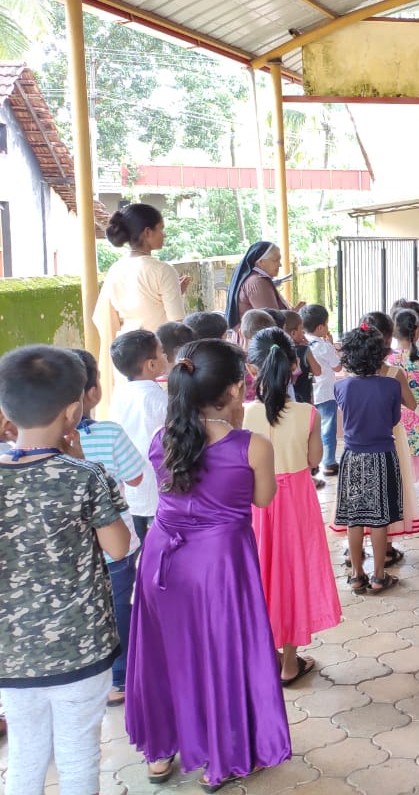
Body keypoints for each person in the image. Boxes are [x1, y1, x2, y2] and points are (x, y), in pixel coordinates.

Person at [126, 339, 290, 790]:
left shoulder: (165, 438)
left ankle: (160, 753)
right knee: (218, 655)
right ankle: (221, 759)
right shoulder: (250, 445)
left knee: (166, 653)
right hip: (218, 563)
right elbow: (262, 499)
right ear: (237, 389)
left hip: (162, 556)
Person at [0, 346, 131, 795]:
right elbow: (119, 547)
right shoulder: (84, 476)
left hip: (9, 655)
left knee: (25, 752)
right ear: (74, 411)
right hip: (81, 651)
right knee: (78, 755)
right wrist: (76, 459)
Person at [243, 329, 342, 686]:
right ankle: (289, 661)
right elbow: (314, 459)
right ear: (296, 366)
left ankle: (265, 656)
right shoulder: (307, 413)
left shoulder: (243, 416)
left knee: (262, 574)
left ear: (252, 370)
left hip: (256, 504)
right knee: (292, 575)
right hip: (297, 505)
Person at [70, 349, 146, 709]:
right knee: (118, 610)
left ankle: (87, 677)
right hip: (116, 545)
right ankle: (119, 680)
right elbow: (134, 475)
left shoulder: (22, 451)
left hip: (71, 556)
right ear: (92, 392)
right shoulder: (109, 434)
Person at [93, 203, 189, 412]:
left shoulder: (116, 269)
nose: (163, 235)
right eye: (160, 229)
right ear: (147, 232)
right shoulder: (163, 271)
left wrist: (175, 292)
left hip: (127, 357)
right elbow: (176, 326)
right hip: (156, 357)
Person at [334, 324, 407, 594]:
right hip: (382, 456)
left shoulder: (341, 387)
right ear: (381, 355)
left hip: (352, 458)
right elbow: (394, 420)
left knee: (355, 519)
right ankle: (378, 576)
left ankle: (356, 573)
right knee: (379, 520)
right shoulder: (391, 385)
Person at [109, 328, 167, 543]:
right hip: (156, 485)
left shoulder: (119, 394)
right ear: (151, 365)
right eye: (162, 352)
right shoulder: (159, 400)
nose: (166, 356)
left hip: (128, 485)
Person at [387, 307, 419, 515]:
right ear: (417, 330)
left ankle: (401, 496)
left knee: (401, 450)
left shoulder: (390, 358)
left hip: (398, 411)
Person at [225, 241, 296, 337]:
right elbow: (272, 319)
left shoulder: (255, 279)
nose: (280, 265)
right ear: (260, 262)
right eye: (276, 260)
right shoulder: (258, 282)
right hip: (259, 342)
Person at [302, 304, 340, 479]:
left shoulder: (302, 344)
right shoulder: (324, 346)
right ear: (320, 327)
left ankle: (308, 463)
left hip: (309, 394)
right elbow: (338, 367)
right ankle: (329, 462)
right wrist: (332, 346)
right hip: (326, 393)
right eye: (326, 324)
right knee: (327, 428)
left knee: (308, 429)